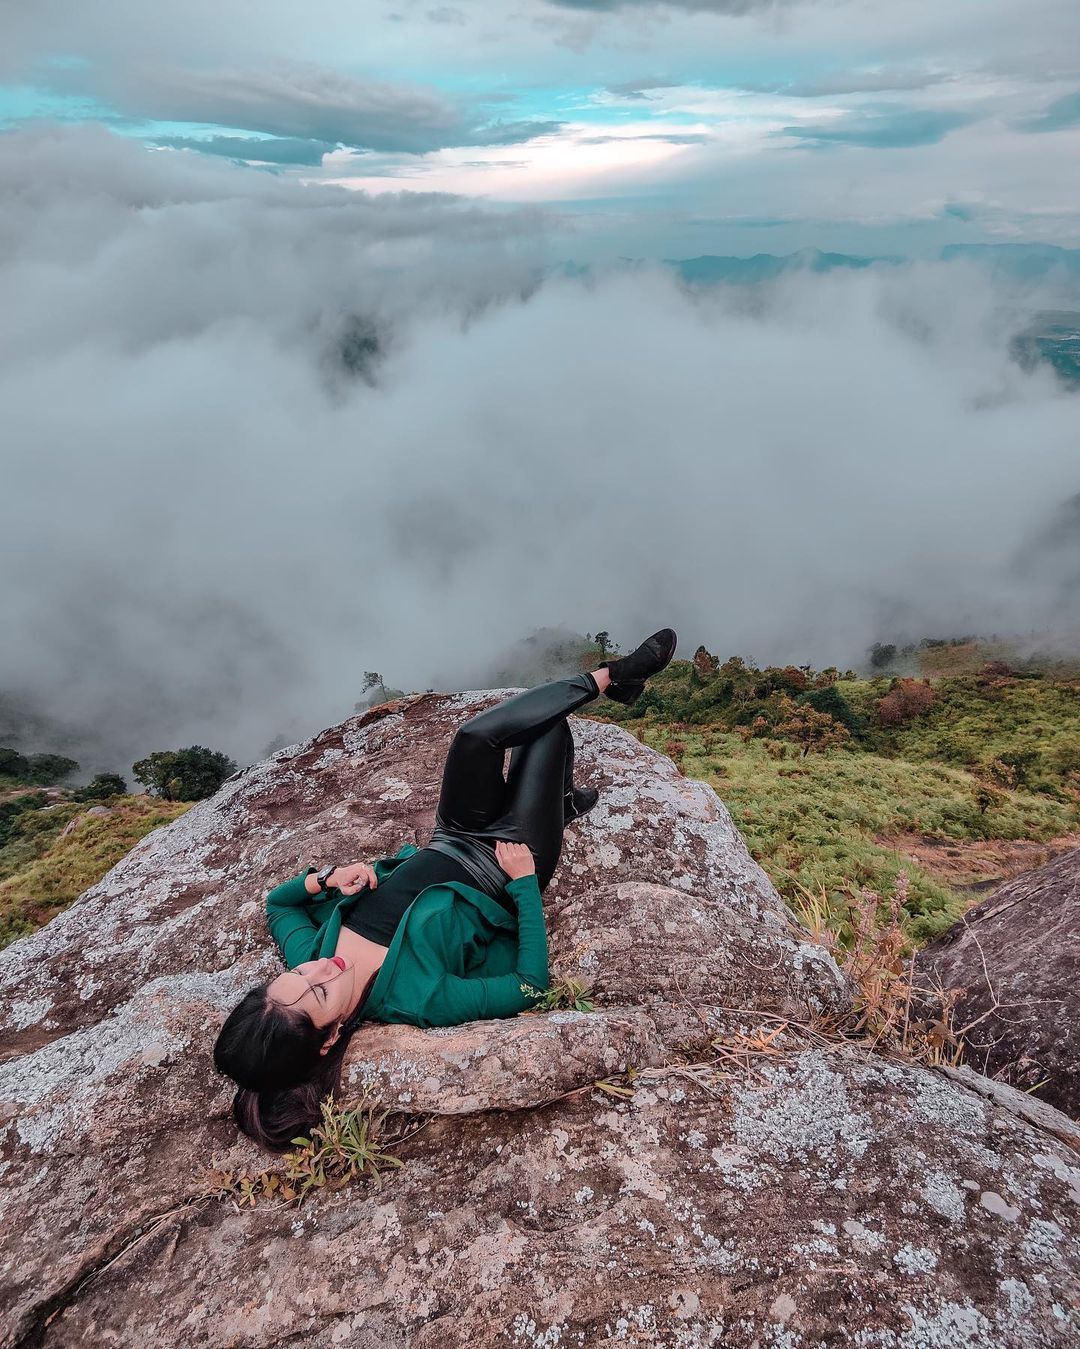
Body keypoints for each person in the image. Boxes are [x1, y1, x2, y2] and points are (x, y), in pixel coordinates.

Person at [213, 629, 678, 1149]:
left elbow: (278, 905)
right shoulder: (418, 999)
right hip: (502, 864)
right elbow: (529, 985)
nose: (319, 969)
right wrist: (524, 886)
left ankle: (613, 680)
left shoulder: (314, 952)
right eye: (319, 990)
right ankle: (565, 785)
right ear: (329, 1041)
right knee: (544, 733)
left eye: (296, 973)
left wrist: (327, 879)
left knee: (474, 738)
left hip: (451, 834)